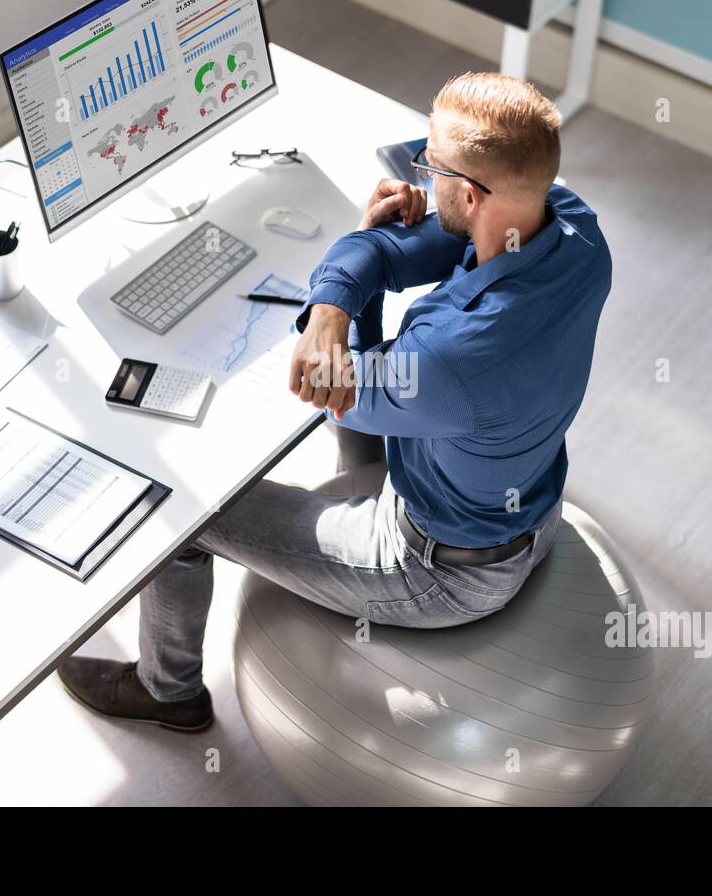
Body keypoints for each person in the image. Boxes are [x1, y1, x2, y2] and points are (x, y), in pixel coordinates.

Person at [58, 71, 612, 731]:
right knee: (380, 357)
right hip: (523, 503)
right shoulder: (574, 230)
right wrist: (356, 275)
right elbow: (392, 253)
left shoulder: (451, 359)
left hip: (439, 570)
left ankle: (166, 692)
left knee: (183, 515)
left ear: (468, 192)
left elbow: (320, 383)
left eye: (429, 166)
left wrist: (331, 302)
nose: (419, 179)